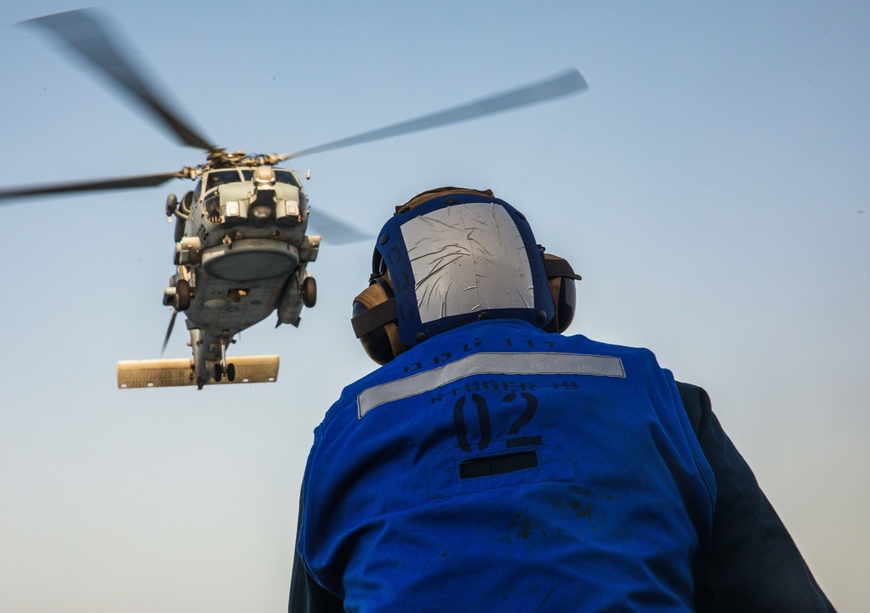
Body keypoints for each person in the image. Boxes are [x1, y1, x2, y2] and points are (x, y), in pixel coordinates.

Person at [289, 187, 835, 612]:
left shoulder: (345, 429)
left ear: (380, 319)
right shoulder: (657, 393)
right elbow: (775, 594)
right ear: (552, 288)